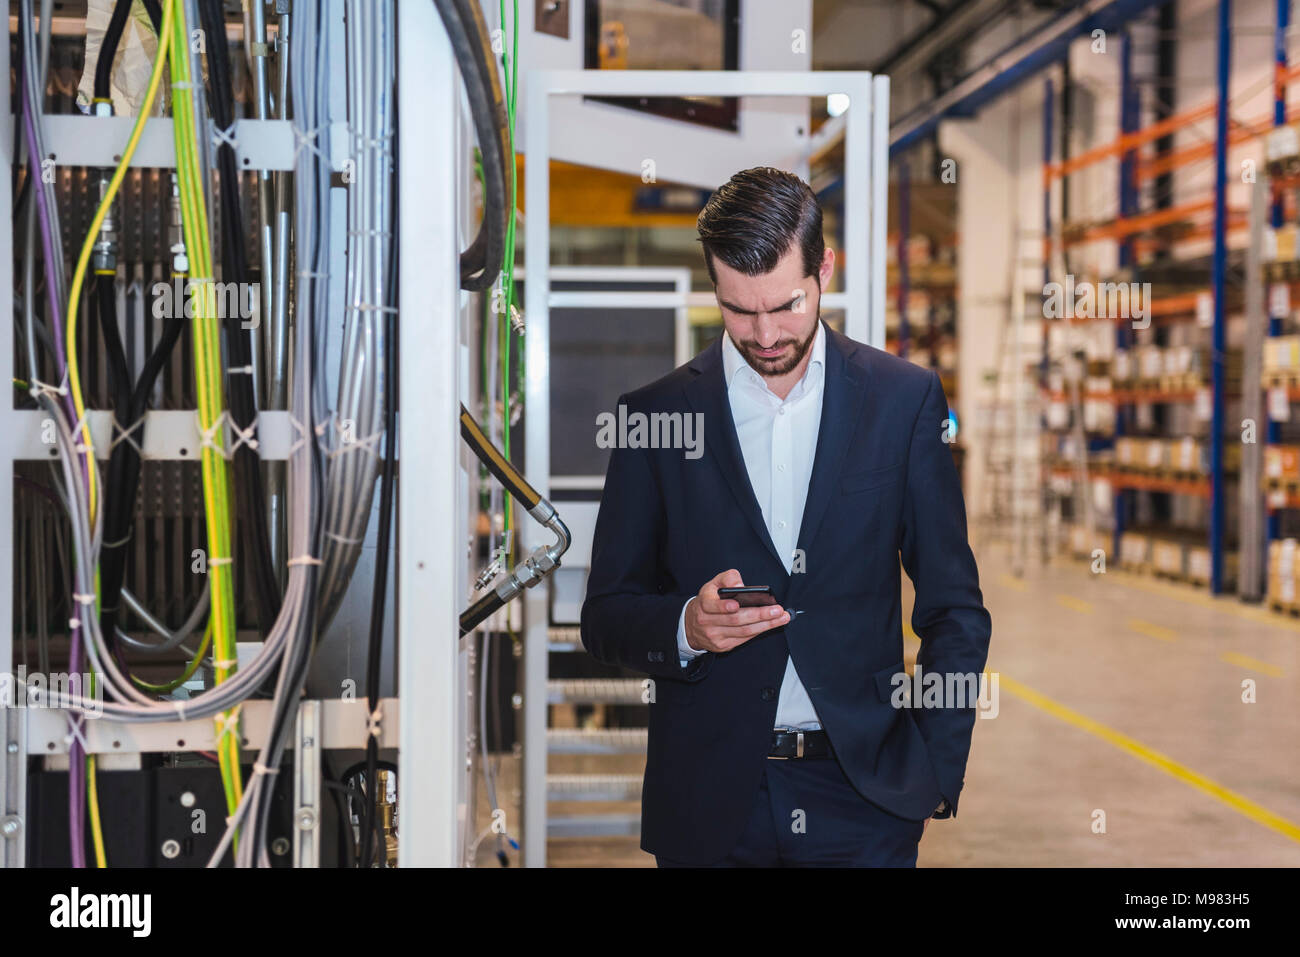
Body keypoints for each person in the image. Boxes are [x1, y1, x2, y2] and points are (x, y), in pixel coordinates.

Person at [580, 166, 991, 867]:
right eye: (739, 310)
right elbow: (605, 616)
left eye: (786, 305)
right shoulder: (654, 417)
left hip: (863, 799)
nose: (765, 333)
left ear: (824, 267)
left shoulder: (903, 402)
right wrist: (686, 626)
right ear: (713, 285)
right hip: (710, 806)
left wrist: (931, 768)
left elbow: (955, 608)